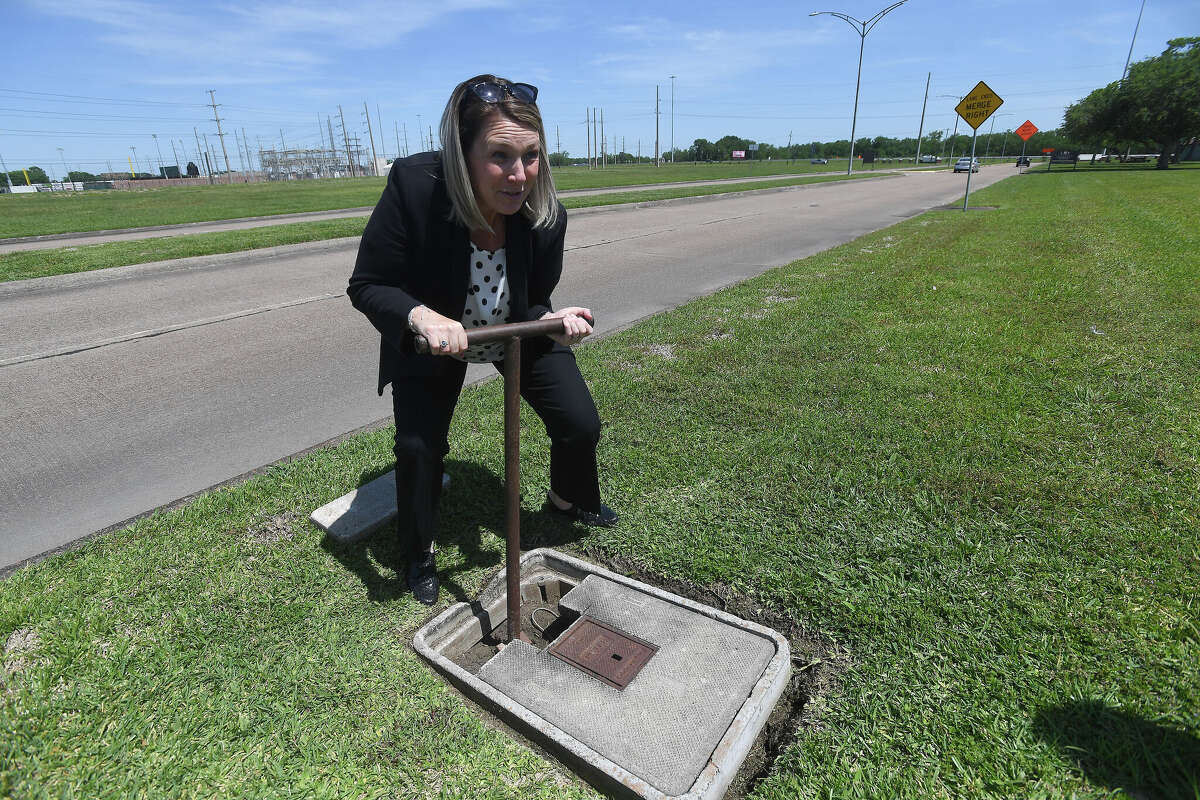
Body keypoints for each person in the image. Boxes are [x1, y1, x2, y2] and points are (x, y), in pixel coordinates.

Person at [348, 75, 618, 606]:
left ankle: (569, 500)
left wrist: (552, 317)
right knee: (420, 447)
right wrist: (421, 316)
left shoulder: (545, 214)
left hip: (510, 331)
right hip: (436, 339)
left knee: (579, 422)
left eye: (532, 156)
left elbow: (535, 295)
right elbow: (367, 284)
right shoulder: (414, 188)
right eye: (499, 156)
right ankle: (418, 554)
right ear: (461, 153)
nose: (520, 176)